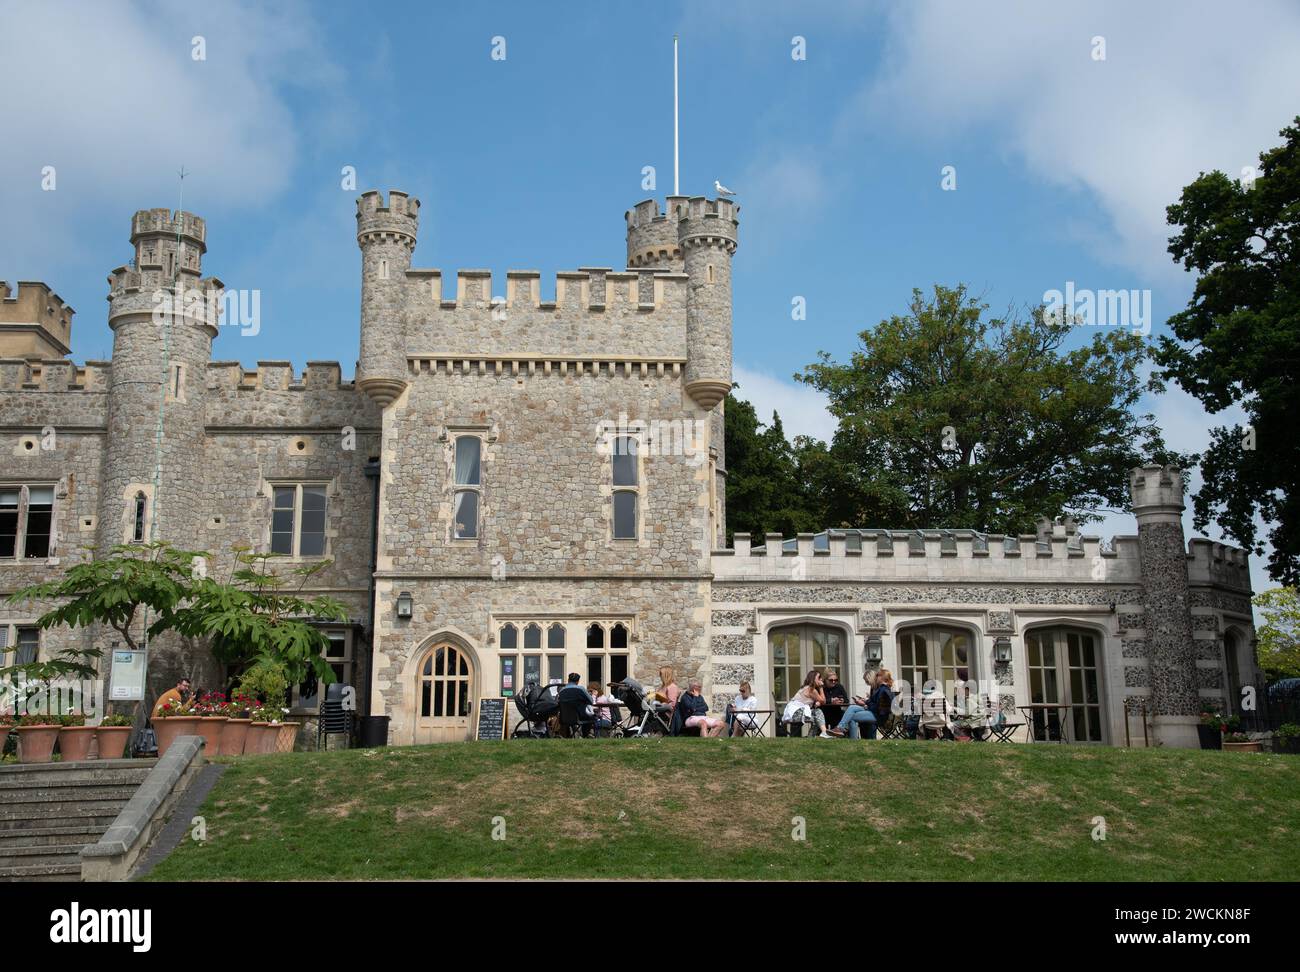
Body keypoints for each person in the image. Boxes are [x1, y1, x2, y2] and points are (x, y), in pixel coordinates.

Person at [782, 670, 831, 737]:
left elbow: (814, 701)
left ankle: (812, 737)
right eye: (819, 677)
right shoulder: (811, 689)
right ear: (813, 679)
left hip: (792, 713)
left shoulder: (806, 687)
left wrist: (818, 702)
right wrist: (821, 687)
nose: (821, 679)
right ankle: (824, 732)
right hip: (795, 714)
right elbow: (823, 701)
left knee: (816, 717)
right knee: (818, 712)